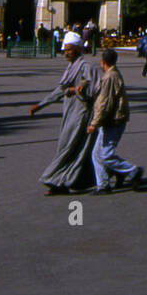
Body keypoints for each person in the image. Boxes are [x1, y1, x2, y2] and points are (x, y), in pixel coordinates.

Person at [29, 31, 101, 193]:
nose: (66, 53)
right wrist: (40, 105)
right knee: (76, 149)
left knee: (68, 147)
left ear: (77, 49)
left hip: (82, 114)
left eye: (69, 49)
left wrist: (75, 89)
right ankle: (77, 180)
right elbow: (59, 91)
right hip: (70, 113)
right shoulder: (71, 68)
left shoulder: (86, 67)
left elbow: (94, 90)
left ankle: (53, 179)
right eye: (65, 50)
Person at [86, 48, 142, 194]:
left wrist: (94, 123)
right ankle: (103, 184)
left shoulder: (109, 77)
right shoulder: (112, 75)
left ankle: (131, 170)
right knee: (97, 154)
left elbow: (104, 103)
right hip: (110, 120)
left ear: (103, 61)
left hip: (114, 120)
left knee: (105, 154)